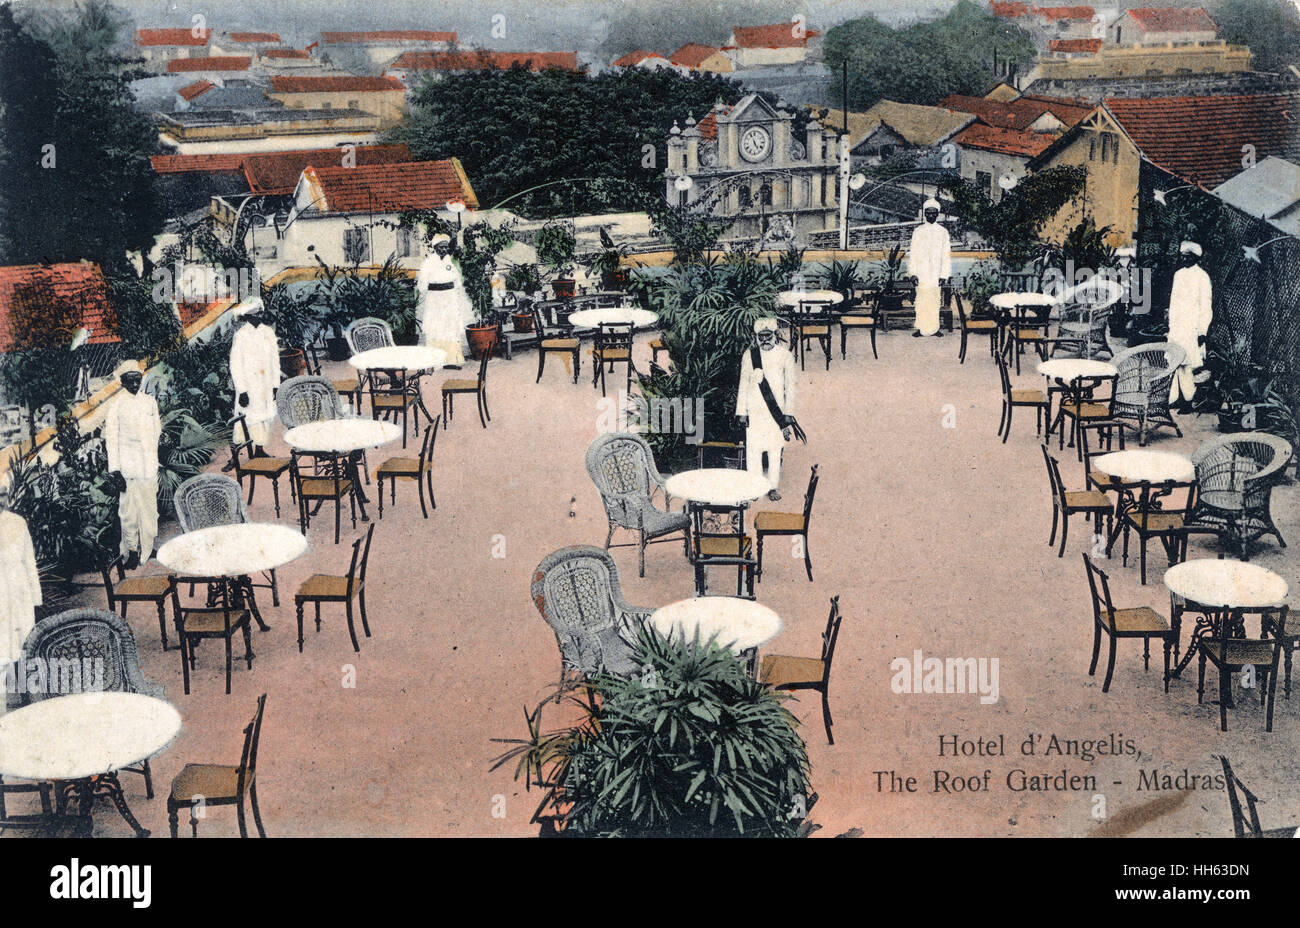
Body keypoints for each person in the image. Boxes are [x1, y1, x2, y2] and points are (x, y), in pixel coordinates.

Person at [735, 318, 804, 501]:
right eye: (761, 336)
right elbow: (743, 384)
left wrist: (788, 413)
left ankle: (773, 487)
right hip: (754, 411)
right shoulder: (749, 355)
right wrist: (741, 412)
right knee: (753, 451)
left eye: (768, 336)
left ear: (775, 336)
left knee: (775, 450)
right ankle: (755, 486)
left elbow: (790, 387)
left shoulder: (785, 356)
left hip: (776, 413)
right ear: (755, 337)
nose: (765, 340)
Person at [104, 362, 161, 571]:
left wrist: (153, 458)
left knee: (149, 510)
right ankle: (132, 551)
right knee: (128, 512)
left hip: (148, 467)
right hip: (127, 469)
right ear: (122, 382)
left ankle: (148, 547)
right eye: (130, 380)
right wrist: (116, 470)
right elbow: (111, 440)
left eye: (138, 379)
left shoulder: (150, 403)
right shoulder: (116, 406)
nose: (135, 384)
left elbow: (156, 433)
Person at [0, 498, 40, 710]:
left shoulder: (17, 522)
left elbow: (29, 561)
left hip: (18, 593)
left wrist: (35, 599)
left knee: (24, 647)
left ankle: (26, 703)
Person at [229, 296, 281, 455]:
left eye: (261, 313)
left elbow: (275, 360)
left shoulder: (268, 332)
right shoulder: (241, 335)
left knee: (264, 417)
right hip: (249, 385)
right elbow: (235, 365)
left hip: (265, 384)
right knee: (245, 419)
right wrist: (242, 390)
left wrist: (275, 385)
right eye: (256, 314)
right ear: (249, 316)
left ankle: (259, 449)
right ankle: (236, 455)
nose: (260, 316)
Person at [417, 233, 475, 368]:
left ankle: (451, 360)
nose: (444, 250)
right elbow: (422, 284)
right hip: (435, 299)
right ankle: (436, 361)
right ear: (435, 248)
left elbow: (457, 280)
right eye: (441, 247)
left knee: (450, 328)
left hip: (449, 298)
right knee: (437, 328)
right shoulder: (429, 263)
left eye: (446, 247)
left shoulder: (449, 262)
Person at [1167, 241, 1213, 412]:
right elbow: (1174, 301)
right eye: (1182, 256)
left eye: (1188, 257)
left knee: (1187, 362)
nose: (1184, 259)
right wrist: (1171, 323)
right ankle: (1175, 398)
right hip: (1178, 324)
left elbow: (1206, 306)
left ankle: (1188, 400)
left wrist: (1202, 330)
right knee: (1174, 360)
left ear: (1195, 258)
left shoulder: (1202, 277)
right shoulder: (1178, 275)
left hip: (1191, 325)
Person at [908, 198, 951, 338]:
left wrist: (944, 275)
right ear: (924, 214)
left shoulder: (943, 232)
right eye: (928, 213)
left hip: (936, 273)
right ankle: (921, 328)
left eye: (934, 213)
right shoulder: (918, 231)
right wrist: (913, 273)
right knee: (921, 300)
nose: (931, 215)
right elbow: (913, 253)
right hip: (921, 272)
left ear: (938, 214)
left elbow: (946, 255)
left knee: (934, 300)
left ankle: (934, 328)